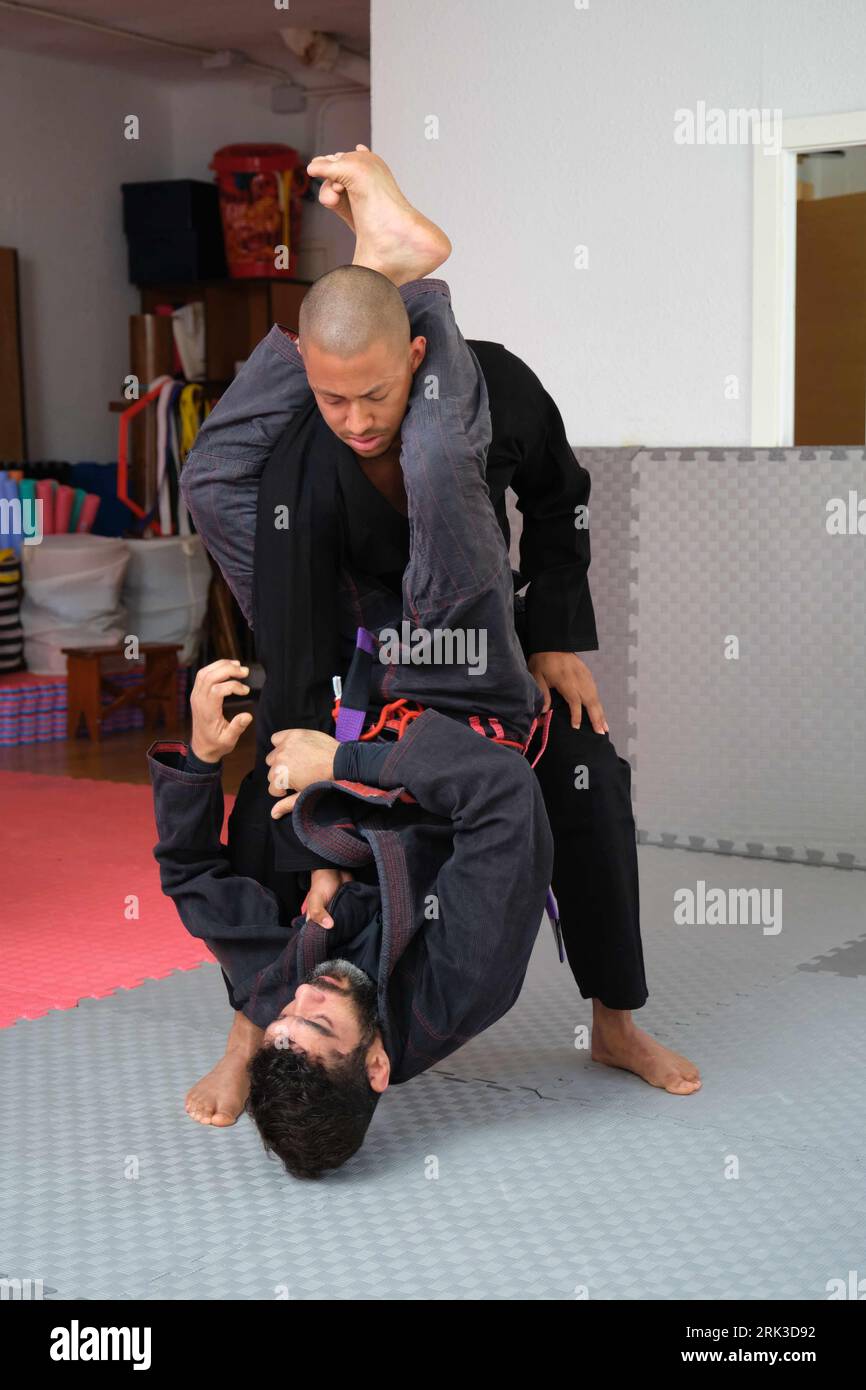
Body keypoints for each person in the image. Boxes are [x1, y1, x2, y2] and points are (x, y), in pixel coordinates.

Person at [178, 146, 701, 1111]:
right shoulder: (313, 423)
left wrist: (553, 634)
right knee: (274, 785)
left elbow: (563, 503)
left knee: (587, 771)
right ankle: (250, 1030)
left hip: (472, 641)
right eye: (333, 395)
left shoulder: (494, 391)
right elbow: (224, 477)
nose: (356, 419)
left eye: (373, 395)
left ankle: (616, 1019)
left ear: (416, 354)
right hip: (348, 641)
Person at [149, 255, 555, 1179]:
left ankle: (363, 282)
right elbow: (496, 794)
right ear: (378, 1062)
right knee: (437, 457)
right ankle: (422, 288)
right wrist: (346, 764)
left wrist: (201, 760)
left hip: (363, 659)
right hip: (462, 688)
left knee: (213, 484)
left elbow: (187, 876)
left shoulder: (285, 987)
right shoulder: (465, 981)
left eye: (280, 1014)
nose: (307, 991)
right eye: (320, 1019)